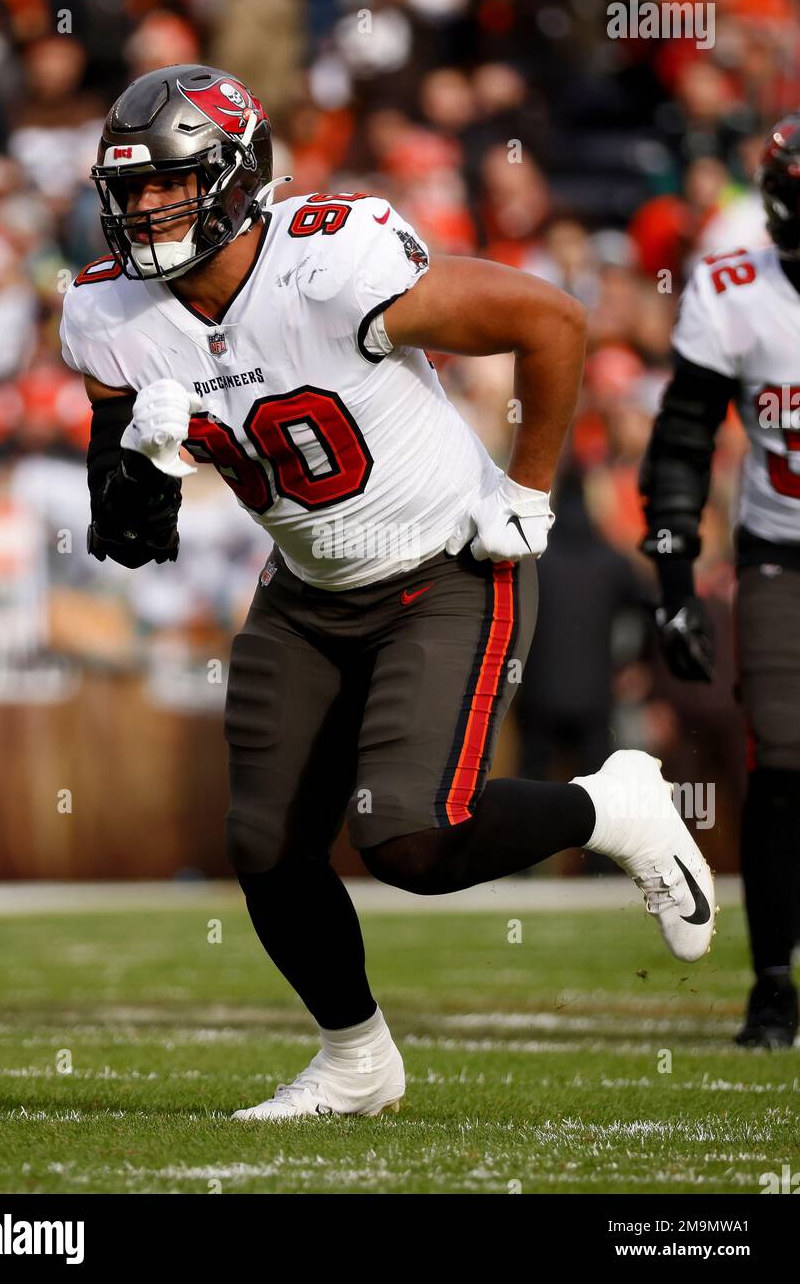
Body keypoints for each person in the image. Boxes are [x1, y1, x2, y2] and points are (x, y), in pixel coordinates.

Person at [61, 64, 715, 1119]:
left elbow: (549, 321)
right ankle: (356, 1057)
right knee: (264, 845)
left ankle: (613, 805)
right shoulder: (110, 318)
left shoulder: (325, 261)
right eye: (129, 190)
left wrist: (532, 491)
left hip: (447, 565)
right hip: (309, 592)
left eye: (170, 184)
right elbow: (127, 538)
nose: (145, 211)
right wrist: (140, 460)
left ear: (236, 178)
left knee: (409, 839)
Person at [640, 116, 800, 1049]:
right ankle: (772, 984)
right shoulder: (737, 292)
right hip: (779, 553)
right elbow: (683, 442)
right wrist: (671, 576)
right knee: (780, 763)